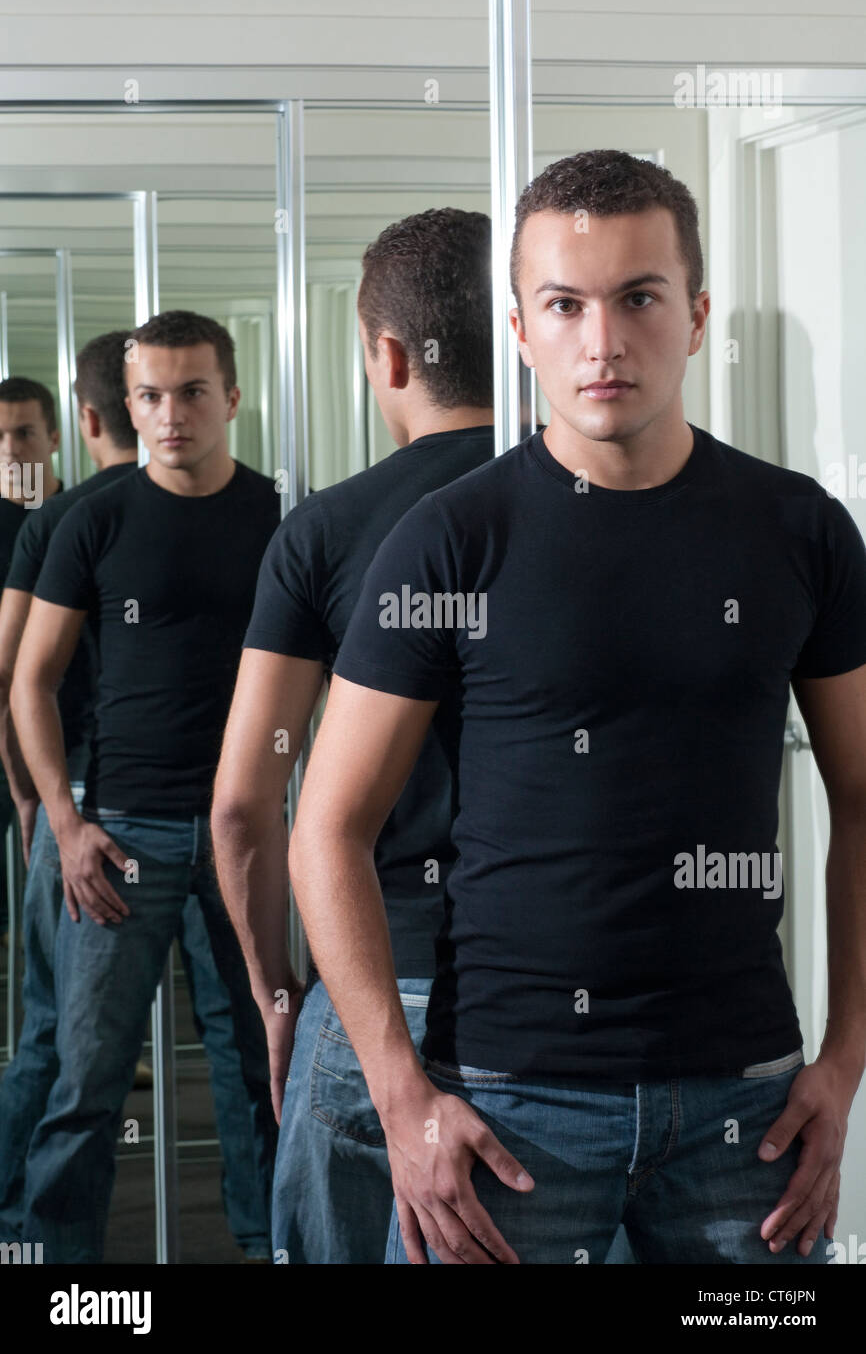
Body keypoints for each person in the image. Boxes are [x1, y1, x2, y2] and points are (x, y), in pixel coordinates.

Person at [287, 149, 866, 1265]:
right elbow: (325, 824)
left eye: (638, 298)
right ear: (519, 328)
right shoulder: (453, 536)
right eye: (563, 305)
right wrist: (400, 1094)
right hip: (508, 1105)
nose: (600, 342)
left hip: (743, 1104)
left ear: (696, 316)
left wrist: (843, 1061)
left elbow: (863, 798)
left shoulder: (798, 531)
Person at [212, 207, 496, 1263]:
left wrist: (281, 989)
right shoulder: (582, 496)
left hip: (376, 982)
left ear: (385, 353)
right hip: (556, 994)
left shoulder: (326, 529)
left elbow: (244, 801)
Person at [12, 309, 280, 1264]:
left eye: (193, 392)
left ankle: (266, 1244)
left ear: (232, 399)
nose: (172, 415)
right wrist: (64, 822)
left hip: (245, 833)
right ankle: (57, 1272)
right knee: (85, 1083)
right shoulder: (94, 517)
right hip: (119, 836)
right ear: (128, 406)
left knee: (261, 1067)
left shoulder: (279, 516)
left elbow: (329, 680)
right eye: (151, 397)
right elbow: (30, 681)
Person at [0, 378, 63, 942]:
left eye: (23, 432)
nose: (10, 448)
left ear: (55, 436)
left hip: (66, 735)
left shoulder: (83, 516)